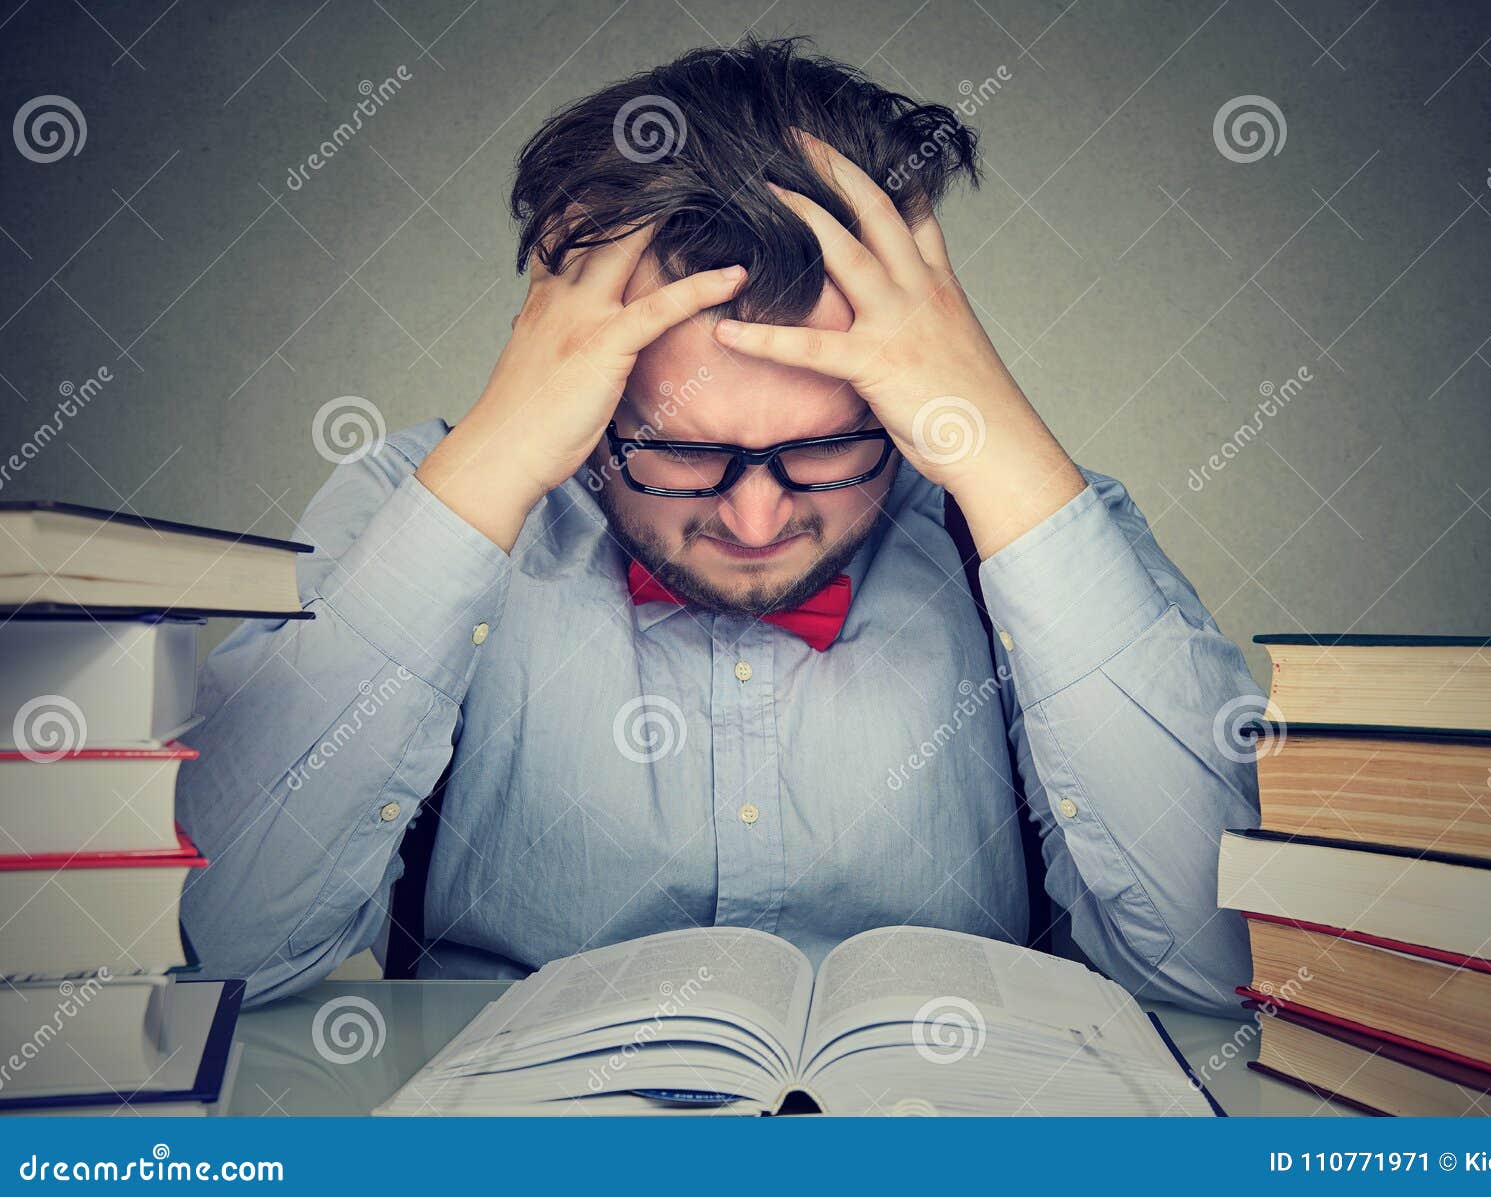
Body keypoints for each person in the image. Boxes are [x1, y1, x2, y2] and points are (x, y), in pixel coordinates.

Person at [177, 36, 1261, 1013]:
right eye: (683, 450)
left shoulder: (1020, 517)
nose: (753, 514)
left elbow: (1216, 962)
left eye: (826, 447)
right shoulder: (430, 501)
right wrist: (495, 461)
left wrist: (1001, 446)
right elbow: (234, 945)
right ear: (588, 388)